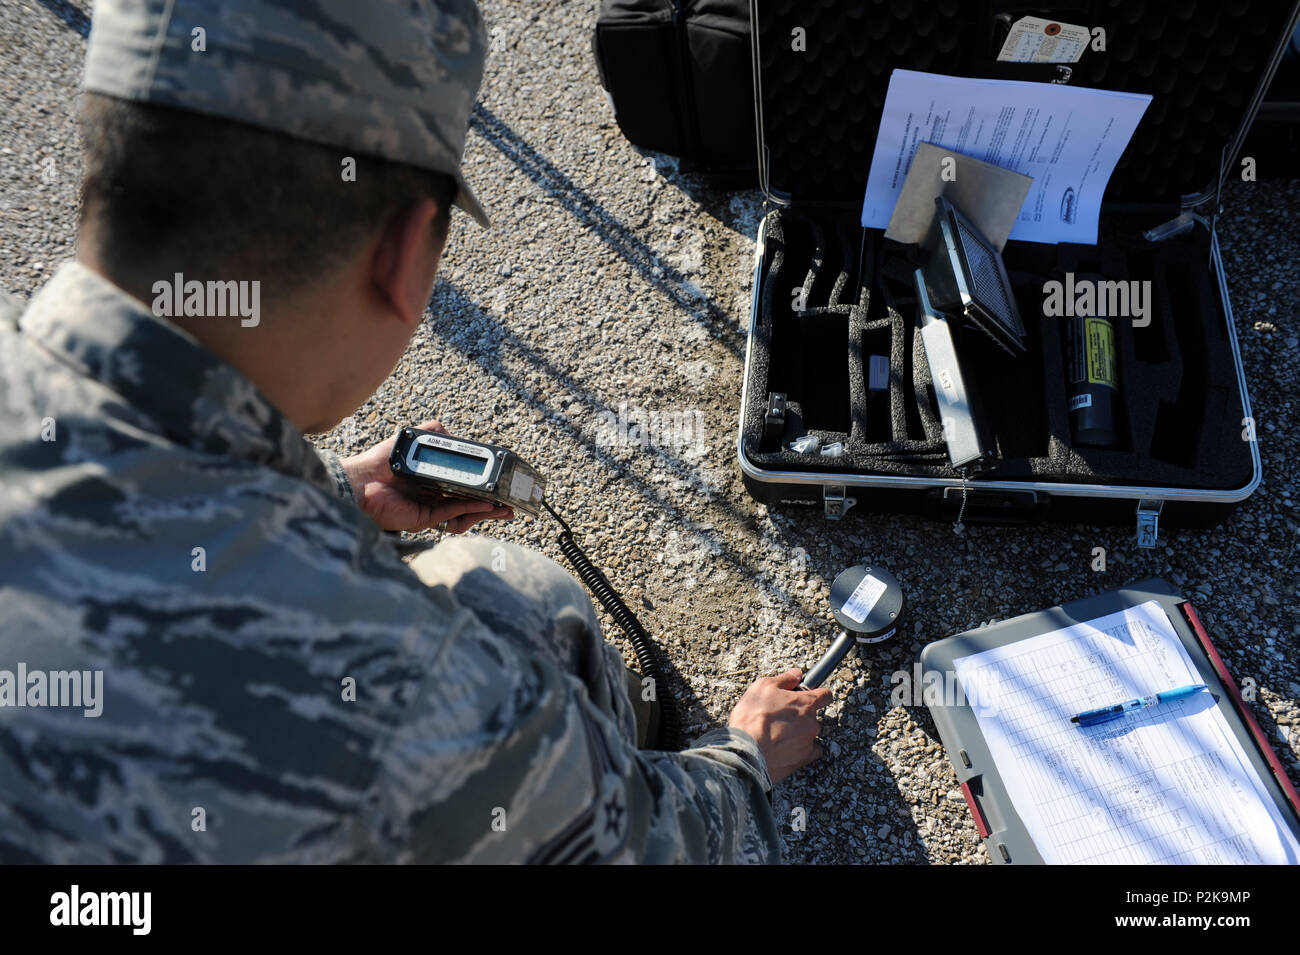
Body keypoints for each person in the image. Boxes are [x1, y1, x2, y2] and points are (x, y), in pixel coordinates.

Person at [0, 0, 829, 864]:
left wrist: (328, 502)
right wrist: (744, 759)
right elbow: (648, 848)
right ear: (402, 259)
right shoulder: (414, 689)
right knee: (528, 601)